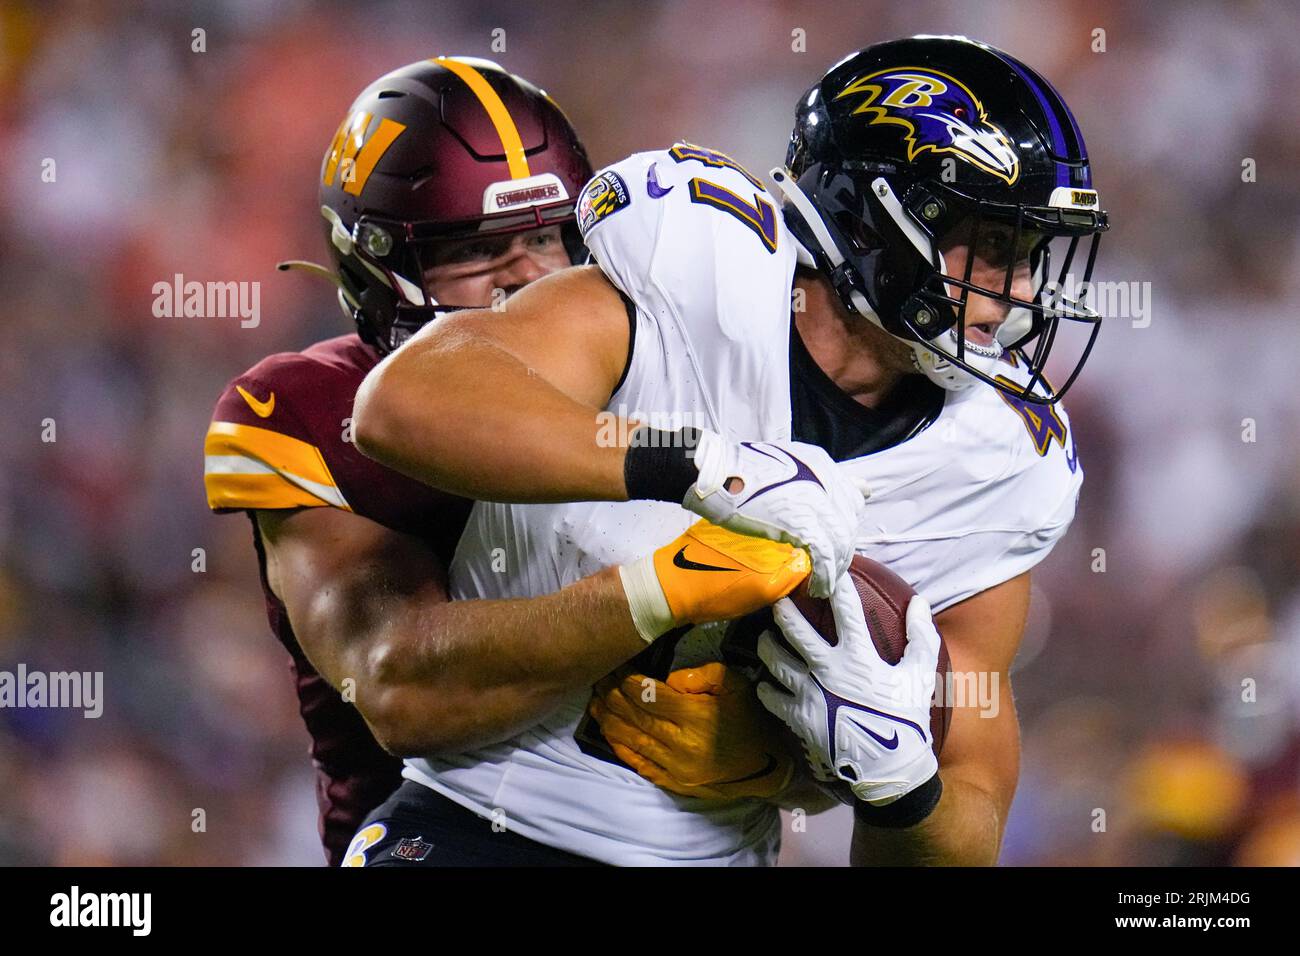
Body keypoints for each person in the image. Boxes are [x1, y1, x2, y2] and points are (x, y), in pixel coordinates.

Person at [351, 35, 1109, 865]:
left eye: (1030, 256)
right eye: (994, 247)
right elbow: (406, 404)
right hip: (488, 824)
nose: (1023, 293)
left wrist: (898, 787)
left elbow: (970, 821)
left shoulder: (998, 461)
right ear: (872, 218)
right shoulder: (702, 272)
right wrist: (703, 467)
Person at [203, 57, 811, 866]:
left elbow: (881, 715)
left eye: (548, 237)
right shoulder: (314, 410)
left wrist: (785, 760)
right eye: (475, 252)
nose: (528, 280)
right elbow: (400, 685)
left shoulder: (667, 368)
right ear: (379, 273)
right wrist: (653, 592)